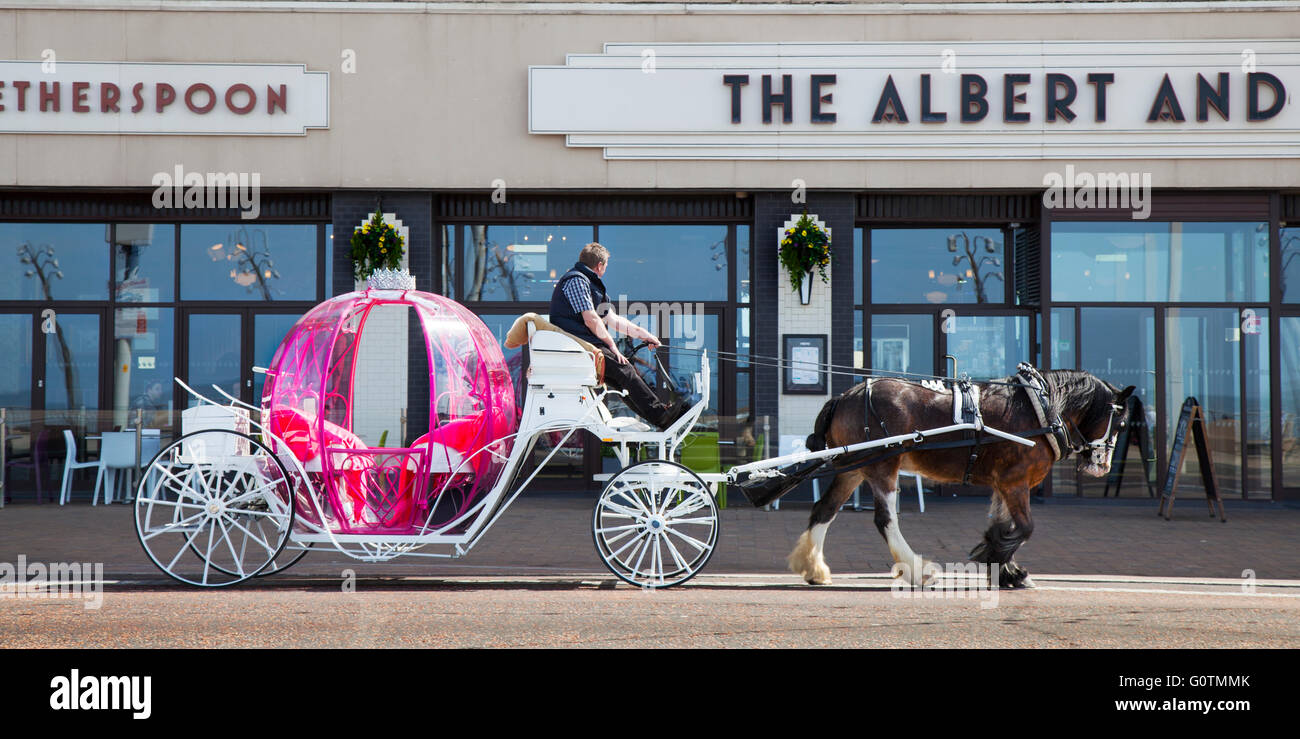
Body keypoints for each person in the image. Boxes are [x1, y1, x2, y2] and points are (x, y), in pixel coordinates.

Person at [549, 242, 688, 430]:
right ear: (599, 265)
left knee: (621, 377)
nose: (605, 269)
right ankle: (661, 416)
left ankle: (659, 418)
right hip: (577, 345)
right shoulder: (577, 281)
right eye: (606, 265)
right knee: (625, 370)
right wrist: (613, 348)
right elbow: (591, 319)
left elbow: (613, 320)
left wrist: (646, 336)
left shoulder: (590, 284)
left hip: (583, 344)